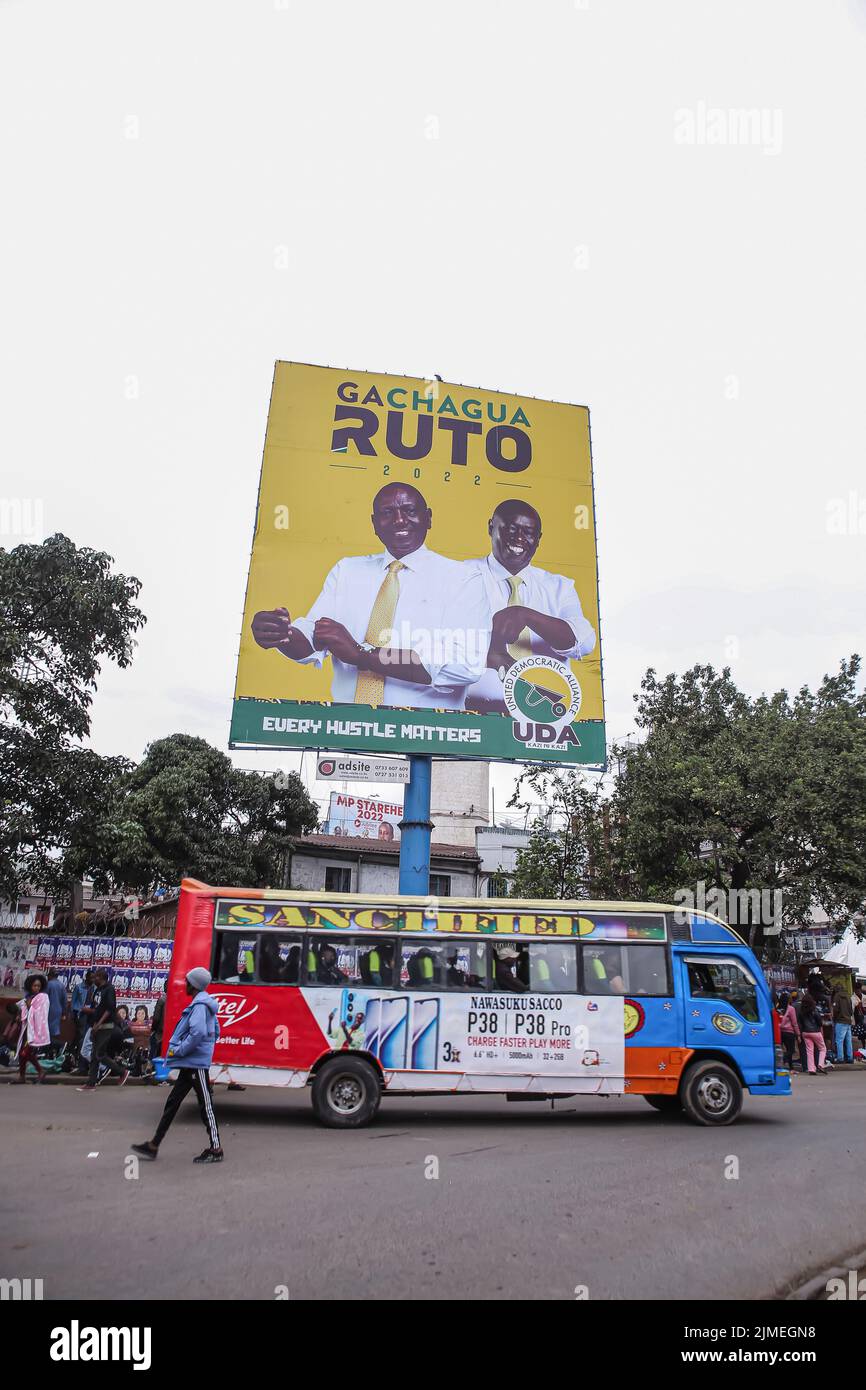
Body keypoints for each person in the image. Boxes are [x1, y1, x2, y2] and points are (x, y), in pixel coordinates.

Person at [250, 482, 489, 711]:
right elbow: (313, 637)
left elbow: (465, 664)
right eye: (387, 512)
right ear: (375, 524)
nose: (399, 520)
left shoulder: (463, 579)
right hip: (349, 730)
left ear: (428, 518)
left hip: (425, 740)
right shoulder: (347, 571)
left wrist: (361, 654)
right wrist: (282, 635)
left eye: (409, 511)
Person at [464, 499, 597, 714]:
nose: (519, 538)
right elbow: (437, 639)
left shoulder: (559, 587)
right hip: (472, 716)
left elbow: (584, 642)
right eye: (511, 528)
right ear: (491, 527)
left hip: (542, 718)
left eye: (528, 532)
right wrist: (488, 650)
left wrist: (525, 615)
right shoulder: (460, 576)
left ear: (538, 539)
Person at [131, 967, 223, 1164]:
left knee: (206, 1105)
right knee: (173, 1103)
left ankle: (216, 1148)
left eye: (188, 982)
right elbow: (216, 1030)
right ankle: (154, 1144)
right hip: (192, 1063)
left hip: (195, 1063)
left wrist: (180, 1049)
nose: (186, 985)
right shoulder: (204, 1005)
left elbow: (198, 1033)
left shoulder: (199, 1006)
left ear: (194, 985)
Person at [77, 969, 130, 1092]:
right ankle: (91, 1083)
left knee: (99, 1054)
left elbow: (109, 1009)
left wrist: (99, 1023)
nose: (93, 979)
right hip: (97, 1026)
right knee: (94, 1056)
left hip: (106, 1026)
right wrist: (94, 1023)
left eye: (95, 977)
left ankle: (122, 1072)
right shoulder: (97, 990)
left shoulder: (109, 989)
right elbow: (97, 1008)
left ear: (101, 977)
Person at [12, 975, 50, 1084]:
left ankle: (41, 1071)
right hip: (26, 1030)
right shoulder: (28, 997)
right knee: (22, 1054)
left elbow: (41, 1012)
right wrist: (20, 1013)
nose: (37, 988)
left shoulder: (43, 997)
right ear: (30, 986)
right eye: (34, 986)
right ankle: (22, 1076)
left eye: (38, 986)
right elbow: (20, 1008)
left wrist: (30, 1007)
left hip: (35, 1031)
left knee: (25, 1053)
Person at [798, 986, 829, 1075]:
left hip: (805, 1033)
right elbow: (819, 1021)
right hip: (815, 1032)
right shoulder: (814, 1010)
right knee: (822, 1048)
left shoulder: (801, 1011)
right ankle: (820, 1064)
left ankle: (811, 1069)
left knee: (809, 1051)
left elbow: (800, 1022)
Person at [775, 991, 800, 1072]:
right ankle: (783, 1060)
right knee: (791, 1050)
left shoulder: (777, 1008)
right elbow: (794, 1022)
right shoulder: (791, 1009)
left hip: (779, 1031)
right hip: (789, 1032)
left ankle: (791, 1067)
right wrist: (798, 1034)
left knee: (781, 1049)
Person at [45, 969, 68, 1057]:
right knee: (54, 1032)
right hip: (58, 1011)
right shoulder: (61, 985)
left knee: (47, 1032)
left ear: (50, 976)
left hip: (49, 1010)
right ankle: (53, 1050)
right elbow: (65, 1001)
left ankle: (59, 1045)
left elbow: (44, 998)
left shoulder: (48, 984)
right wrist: (64, 1013)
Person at [832, 984, 855, 1065]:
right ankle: (850, 1058)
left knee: (839, 1041)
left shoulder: (837, 996)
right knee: (848, 1040)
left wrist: (834, 1018)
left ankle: (840, 1058)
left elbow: (835, 1009)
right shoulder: (848, 996)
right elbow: (851, 1010)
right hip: (848, 1020)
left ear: (836, 990)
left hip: (840, 1021)